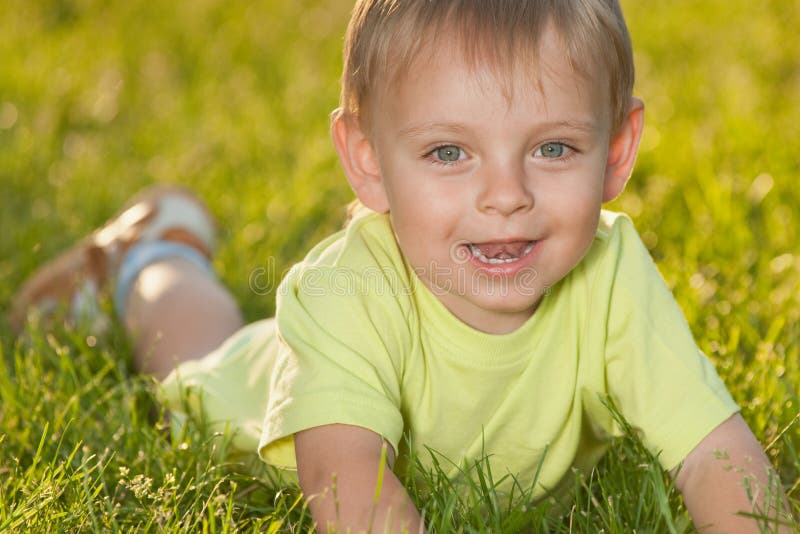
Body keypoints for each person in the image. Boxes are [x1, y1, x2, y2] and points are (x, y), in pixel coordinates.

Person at [10, 1, 791, 532]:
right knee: (191, 348)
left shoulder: (614, 275)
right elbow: (352, 492)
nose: (507, 197)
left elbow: (719, 458)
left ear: (617, 152)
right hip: (245, 395)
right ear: (368, 160)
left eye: (553, 148)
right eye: (449, 152)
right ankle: (149, 251)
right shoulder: (345, 291)